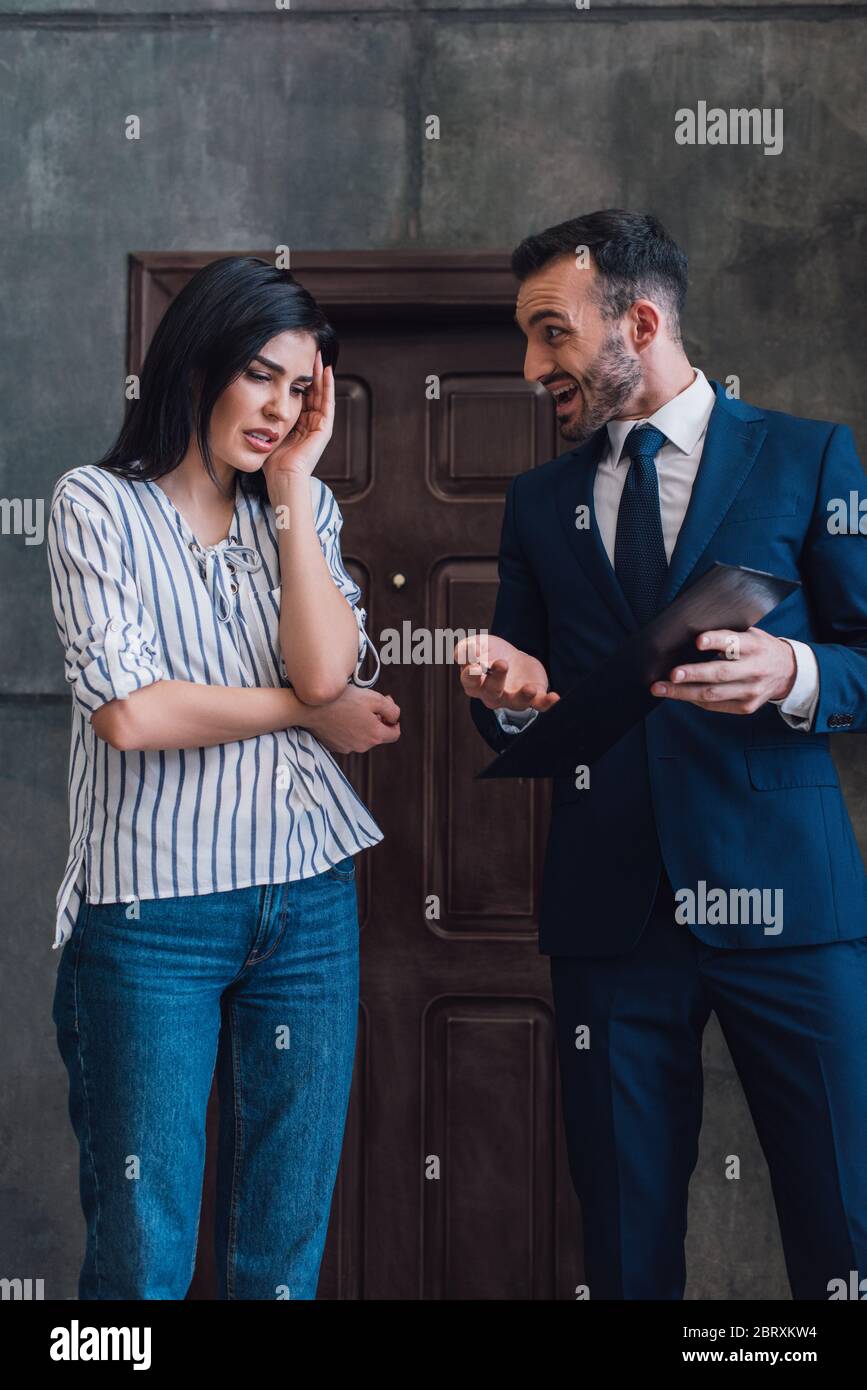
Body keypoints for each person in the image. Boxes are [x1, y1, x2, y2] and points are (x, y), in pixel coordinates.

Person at [458, 210, 867, 1300]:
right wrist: (503, 698)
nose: (531, 364)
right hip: (611, 919)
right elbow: (525, 681)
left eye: (551, 334)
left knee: (845, 1221)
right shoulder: (539, 501)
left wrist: (794, 675)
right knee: (627, 1242)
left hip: (790, 904)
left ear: (639, 322)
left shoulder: (808, 455)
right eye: (525, 336)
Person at [47, 255, 400, 1300]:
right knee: (139, 1246)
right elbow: (132, 712)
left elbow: (326, 663)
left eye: (302, 389)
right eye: (261, 376)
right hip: (153, 913)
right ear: (197, 364)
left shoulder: (304, 511)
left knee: (282, 1247)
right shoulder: (94, 505)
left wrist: (292, 489)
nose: (280, 408)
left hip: (307, 901)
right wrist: (305, 714)